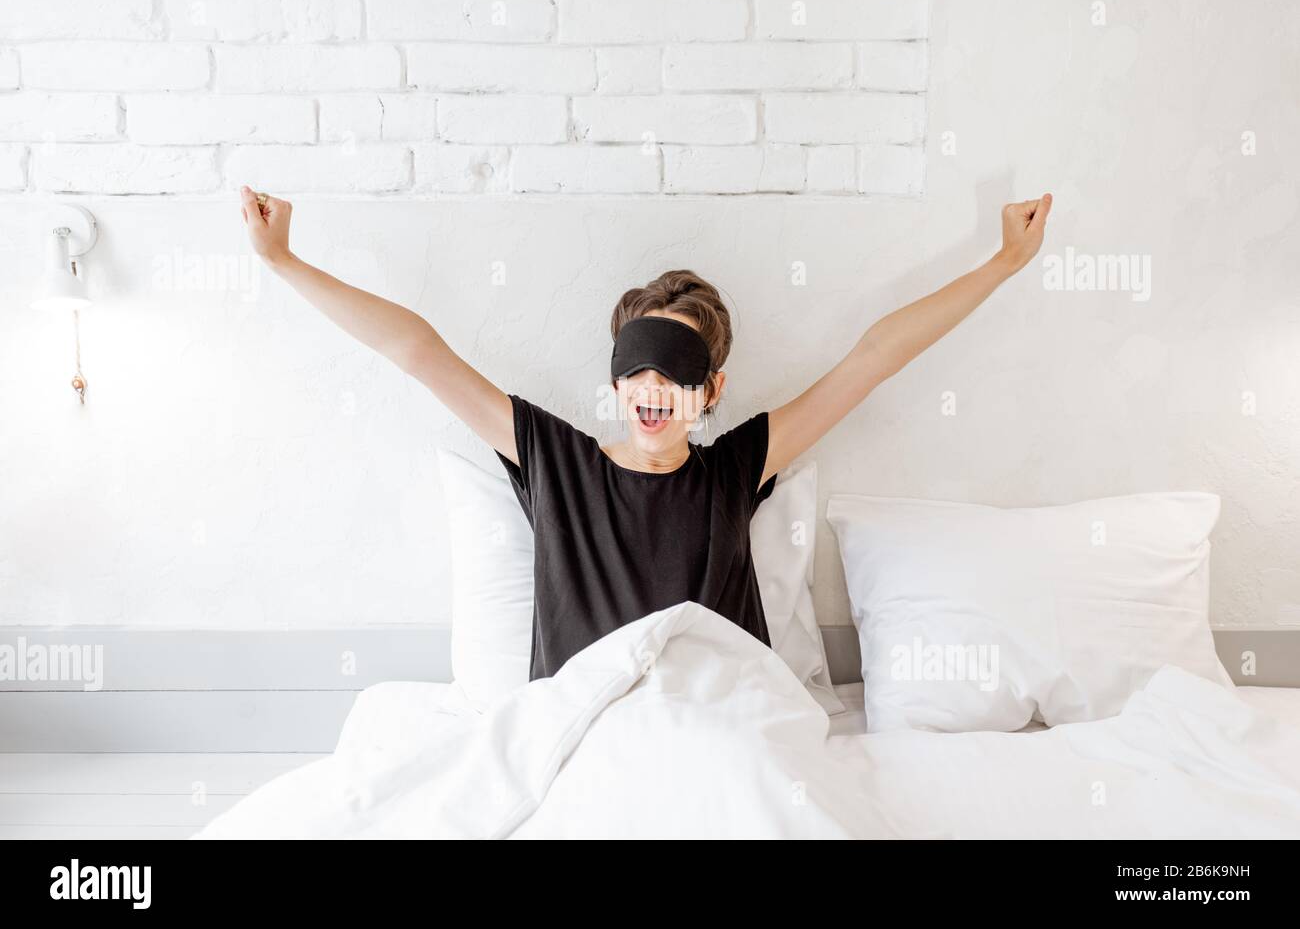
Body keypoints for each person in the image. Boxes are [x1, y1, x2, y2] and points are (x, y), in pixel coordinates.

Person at [239, 185, 1053, 680]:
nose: (656, 388)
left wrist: (1003, 264)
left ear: (714, 390)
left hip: (718, 721)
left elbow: (872, 358)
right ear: (616, 381)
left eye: (679, 368)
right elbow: (417, 350)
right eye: (640, 368)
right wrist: (284, 261)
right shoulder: (555, 461)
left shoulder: (737, 469)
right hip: (588, 733)